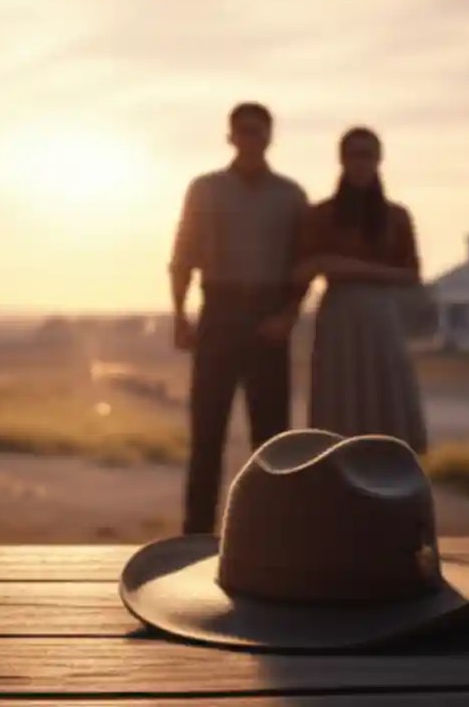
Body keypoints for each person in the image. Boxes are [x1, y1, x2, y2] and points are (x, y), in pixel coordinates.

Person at [170, 102, 310, 534]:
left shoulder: (291, 196)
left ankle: (271, 536)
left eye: (258, 131)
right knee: (206, 434)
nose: (250, 138)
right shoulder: (205, 189)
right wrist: (180, 315)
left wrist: (288, 315)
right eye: (242, 131)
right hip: (219, 311)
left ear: (270, 136)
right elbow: (182, 255)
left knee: (272, 440)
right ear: (230, 136)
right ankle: (195, 538)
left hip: (268, 317)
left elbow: (303, 265)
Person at [293, 126, 428, 453]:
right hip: (338, 315)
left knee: (384, 399)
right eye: (354, 155)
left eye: (367, 155)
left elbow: (412, 274)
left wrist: (346, 266)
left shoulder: (396, 217)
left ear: (379, 159)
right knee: (340, 400)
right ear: (342, 159)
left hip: (379, 316)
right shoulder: (320, 215)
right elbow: (301, 271)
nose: (360, 163)